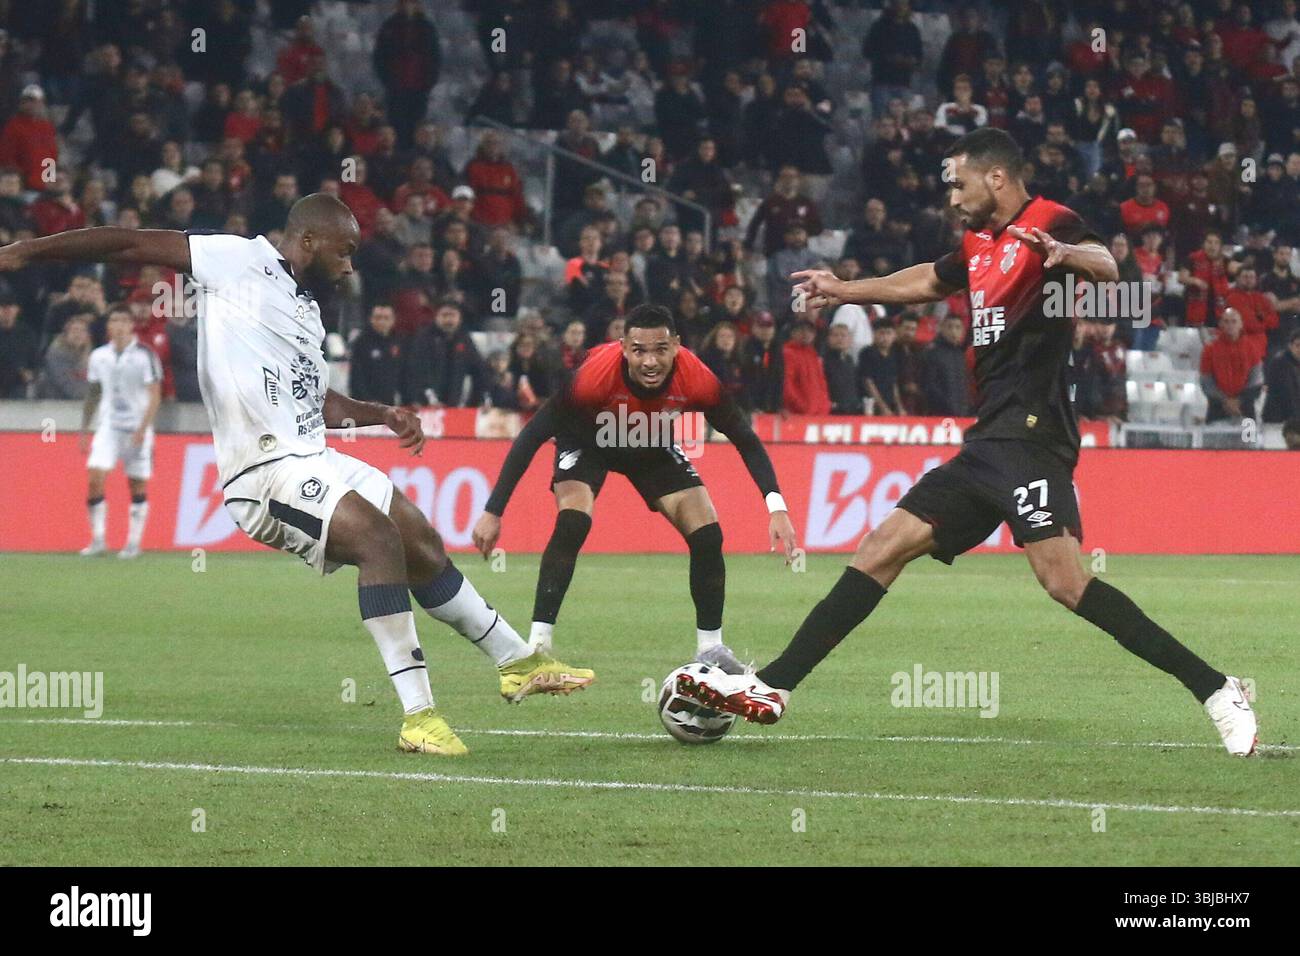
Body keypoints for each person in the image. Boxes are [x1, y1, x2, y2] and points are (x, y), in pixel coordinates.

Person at [674, 128, 1257, 757]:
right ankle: (775, 688)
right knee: (881, 547)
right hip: (986, 443)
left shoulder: (1048, 219)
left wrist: (1066, 254)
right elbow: (929, 279)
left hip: (1033, 438)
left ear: (996, 178)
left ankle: (1218, 689)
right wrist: (846, 289)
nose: (952, 198)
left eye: (958, 183)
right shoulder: (978, 242)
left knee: (1064, 582)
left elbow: (1108, 265)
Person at [0, 193, 593, 756]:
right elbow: (126, 244)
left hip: (313, 456)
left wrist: (379, 415)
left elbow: (317, 403)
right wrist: (25, 252)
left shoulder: (307, 313)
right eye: (344, 251)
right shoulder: (236, 259)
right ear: (307, 239)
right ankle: (419, 717)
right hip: (264, 472)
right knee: (377, 541)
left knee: (420, 540)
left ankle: (515, 661)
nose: (349, 266)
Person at [471, 304, 798, 673]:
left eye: (660, 349)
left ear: (676, 345)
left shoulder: (697, 378)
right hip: (587, 441)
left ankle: (711, 649)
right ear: (624, 347)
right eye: (639, 350)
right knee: (574, 521)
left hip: (650, 443)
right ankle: (538, 646)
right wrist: (493, 511)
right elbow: (531, 435)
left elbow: (745, 439)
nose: (650, 361)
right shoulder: (593, 377)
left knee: (707, 534)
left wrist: (777, 507)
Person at [77, 304, 161, 559]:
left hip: (137, 428)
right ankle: (99, 540)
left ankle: (133, 542)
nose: (119, 325)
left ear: (131, 325)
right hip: (108, 427)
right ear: (109, 326)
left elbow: (155, 394)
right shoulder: (99, 356)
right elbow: (93, 392)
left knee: (136, 485)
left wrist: (143, 428)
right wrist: (84, 429)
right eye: (114, 321)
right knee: (94, 478)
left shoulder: (145, 355)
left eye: (124, 320)